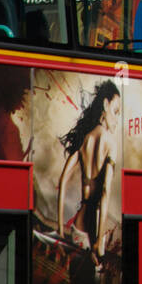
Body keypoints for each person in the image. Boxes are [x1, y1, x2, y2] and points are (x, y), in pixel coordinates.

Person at [56, 79, 121, 266]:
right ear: (106, 104)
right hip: (91, 236)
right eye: (116, 111)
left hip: (77, 229)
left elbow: (63, 181)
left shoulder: (85, 139)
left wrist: (61, 229)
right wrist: (99, 242)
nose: (116, 119)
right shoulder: (111, 144)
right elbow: (105, 193)